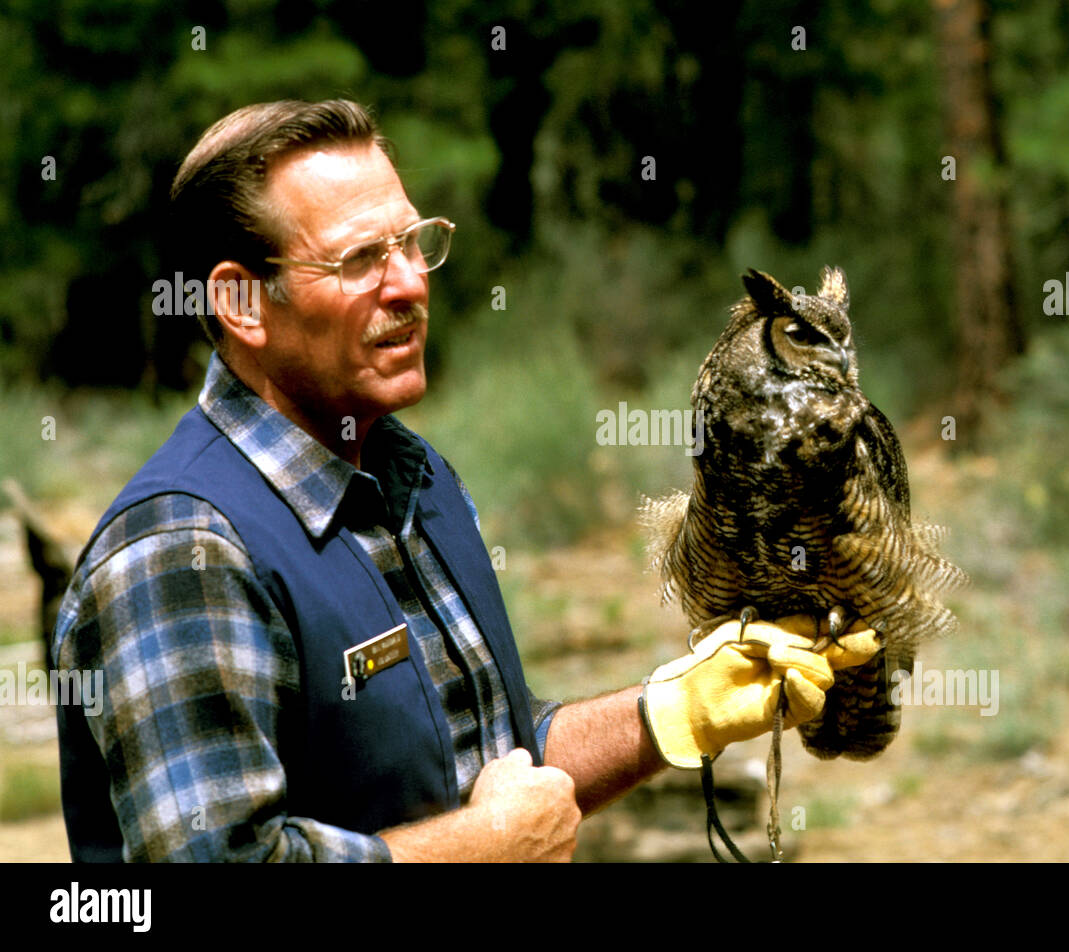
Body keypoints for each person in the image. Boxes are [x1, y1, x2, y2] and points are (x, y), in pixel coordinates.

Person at [52, 99, 879, 862]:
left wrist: (671, 712)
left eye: (412, 242)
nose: (411, 283)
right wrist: (484, 850)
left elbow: (491, 764)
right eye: (358, 260)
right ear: (241, 303)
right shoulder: (181, 552)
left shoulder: (413, 475)